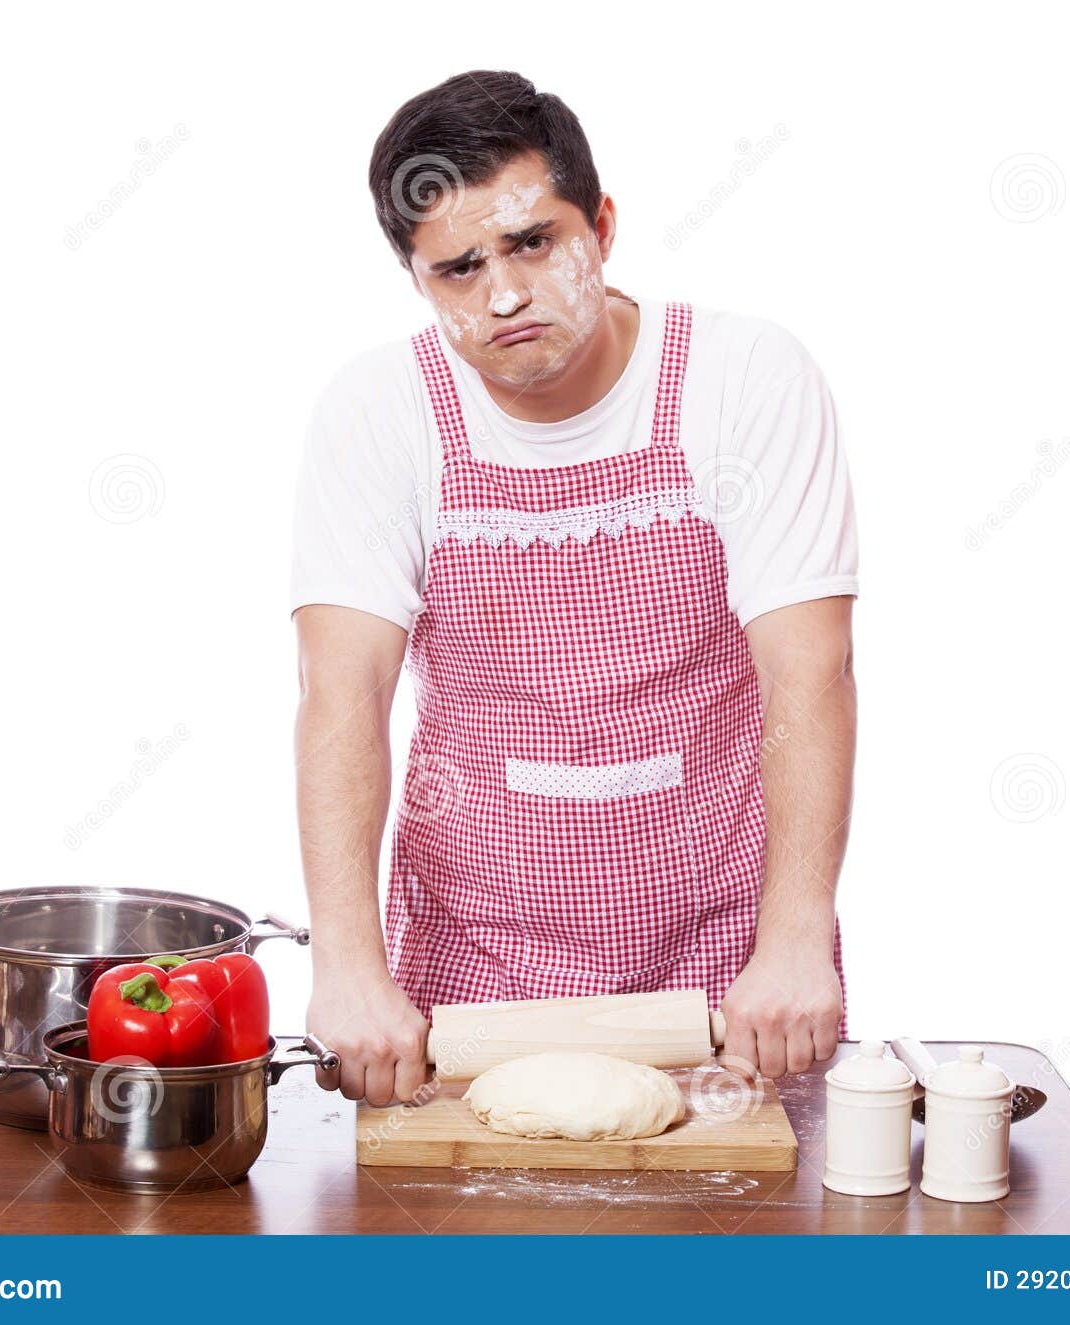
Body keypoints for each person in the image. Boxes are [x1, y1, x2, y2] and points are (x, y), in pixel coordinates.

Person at [291, 70, 858, 1107]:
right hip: (469, 981)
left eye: (533, 242)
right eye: (458, 267)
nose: (503, 295)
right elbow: (343, 693)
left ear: (600, 224)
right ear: (418, 279)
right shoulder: (379, 410)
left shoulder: (746, 378)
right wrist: (346, 963)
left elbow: (808, 669)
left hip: (724, 972)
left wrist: (795, 939)